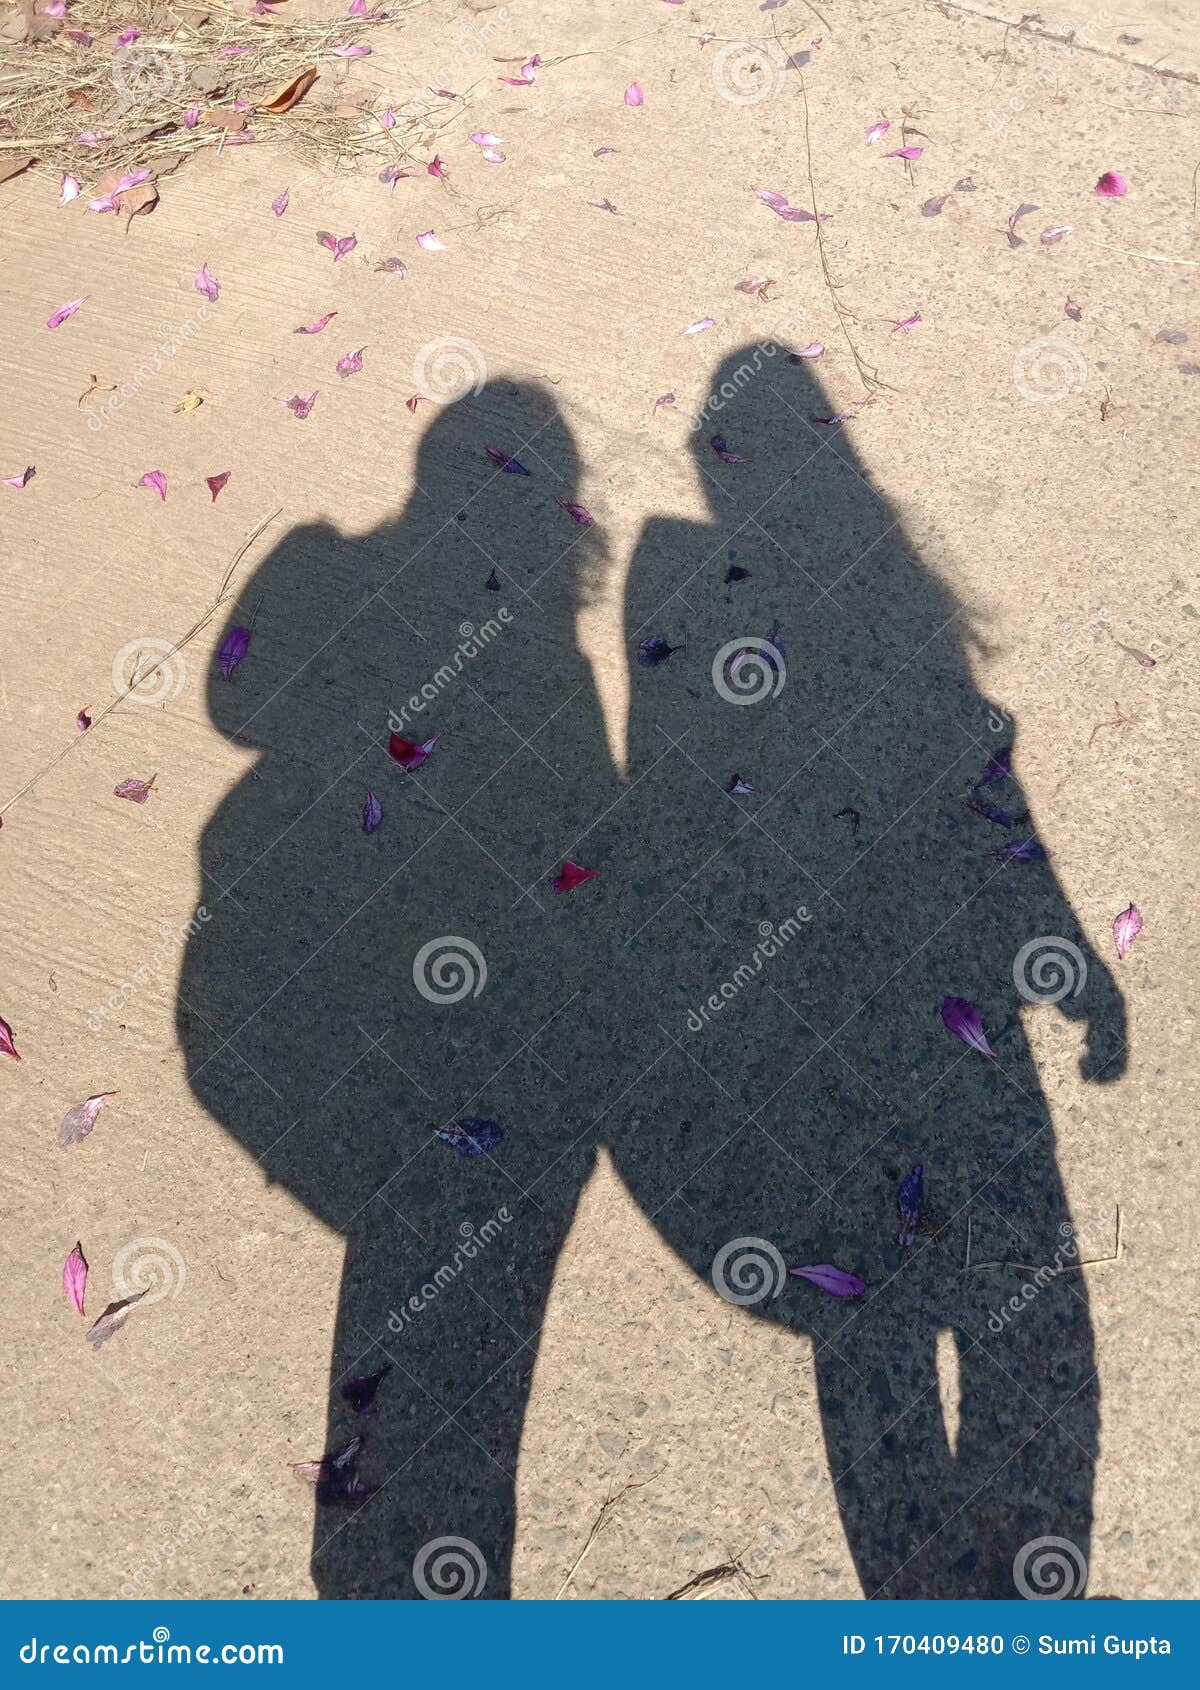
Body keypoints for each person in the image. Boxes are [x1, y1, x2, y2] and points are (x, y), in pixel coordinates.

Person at [179, 351, 1124, 1598]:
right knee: (959, 1310)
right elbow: (931, 763)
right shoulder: (662, 609)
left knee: (886, 1322)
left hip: (482, 1065)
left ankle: (943, 1614)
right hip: (548, 1050)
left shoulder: (640, 611)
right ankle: (971, 1619)